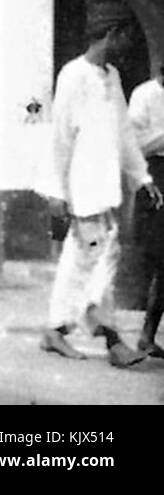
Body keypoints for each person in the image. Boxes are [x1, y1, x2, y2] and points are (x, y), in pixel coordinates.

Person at [41, 0, 164, 368]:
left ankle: (59, 330)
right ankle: (108, 338)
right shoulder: (73, 75)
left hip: (106, 187)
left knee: (85, 258)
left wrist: (142, 177)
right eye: (125, 35)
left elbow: (125, 134)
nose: (129, 44)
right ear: (111, 33)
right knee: (101, 256)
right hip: (81, 187)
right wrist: (56, 192)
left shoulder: (112, 77)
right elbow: (59, 136)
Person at [128, 64, 164, 359]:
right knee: (162, 258)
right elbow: (135, 144)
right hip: (156, 175)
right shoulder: (145, 95)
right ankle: (147, 334)